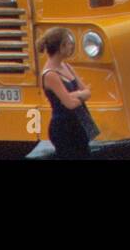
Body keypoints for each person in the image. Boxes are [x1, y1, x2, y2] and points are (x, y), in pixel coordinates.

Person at [39, 27, 92, 159]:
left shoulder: (67, 67)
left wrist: (75, 95)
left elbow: (87, 93)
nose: (71, 46)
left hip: (79, 123)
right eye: (68, 43)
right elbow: (69, 104)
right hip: (64, 128)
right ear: (61, 47)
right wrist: (78, 95)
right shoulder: (50, 74)